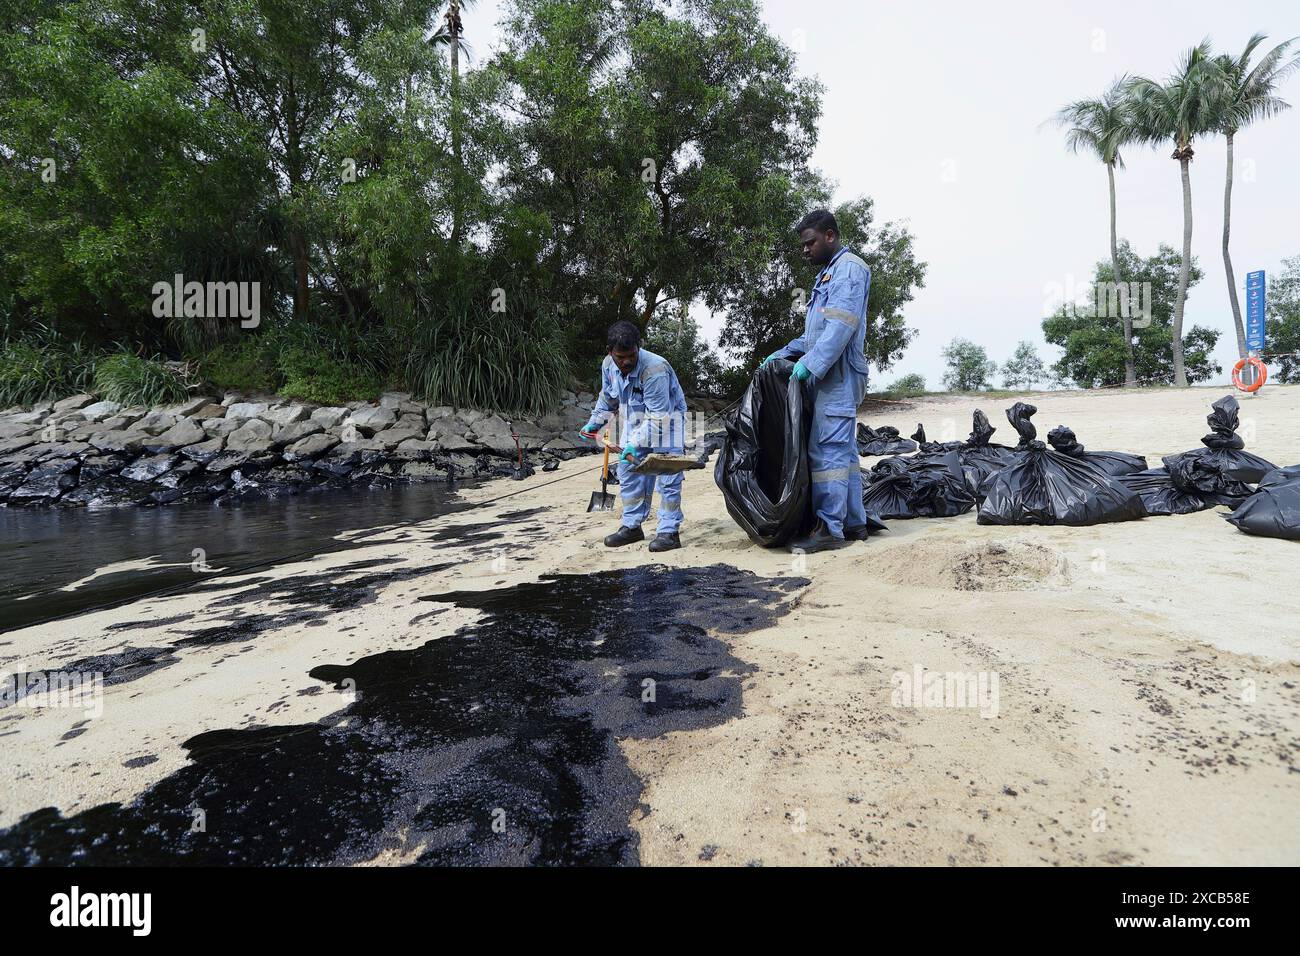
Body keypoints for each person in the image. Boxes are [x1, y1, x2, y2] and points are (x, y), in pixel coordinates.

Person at [762, 209, 872, 553]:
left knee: (827, 452)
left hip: (838, 377)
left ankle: (829, 529)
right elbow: (816, 335)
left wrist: (811, 364)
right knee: (844, 453)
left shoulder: (849, 269)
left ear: (829, 235)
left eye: (810, 243)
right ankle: (854, 523)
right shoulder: (828, 274)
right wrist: (785, 352)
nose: (805, 250)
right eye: (803, 245)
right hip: (829, 377)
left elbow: (840, 327)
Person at [579, 320, 689, 552]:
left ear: (638, 347)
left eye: (631, 355)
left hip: (667, 422)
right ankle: (632, 527)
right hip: (635, 420)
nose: (626, 361)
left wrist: (634, 444)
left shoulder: (655, 370)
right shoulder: (608, 365)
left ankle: (669, 532)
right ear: (610, 352)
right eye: (621, 357)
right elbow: (607, 398)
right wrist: (595, 422)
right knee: (628, 471)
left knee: (667, 475)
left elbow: (659, 417)